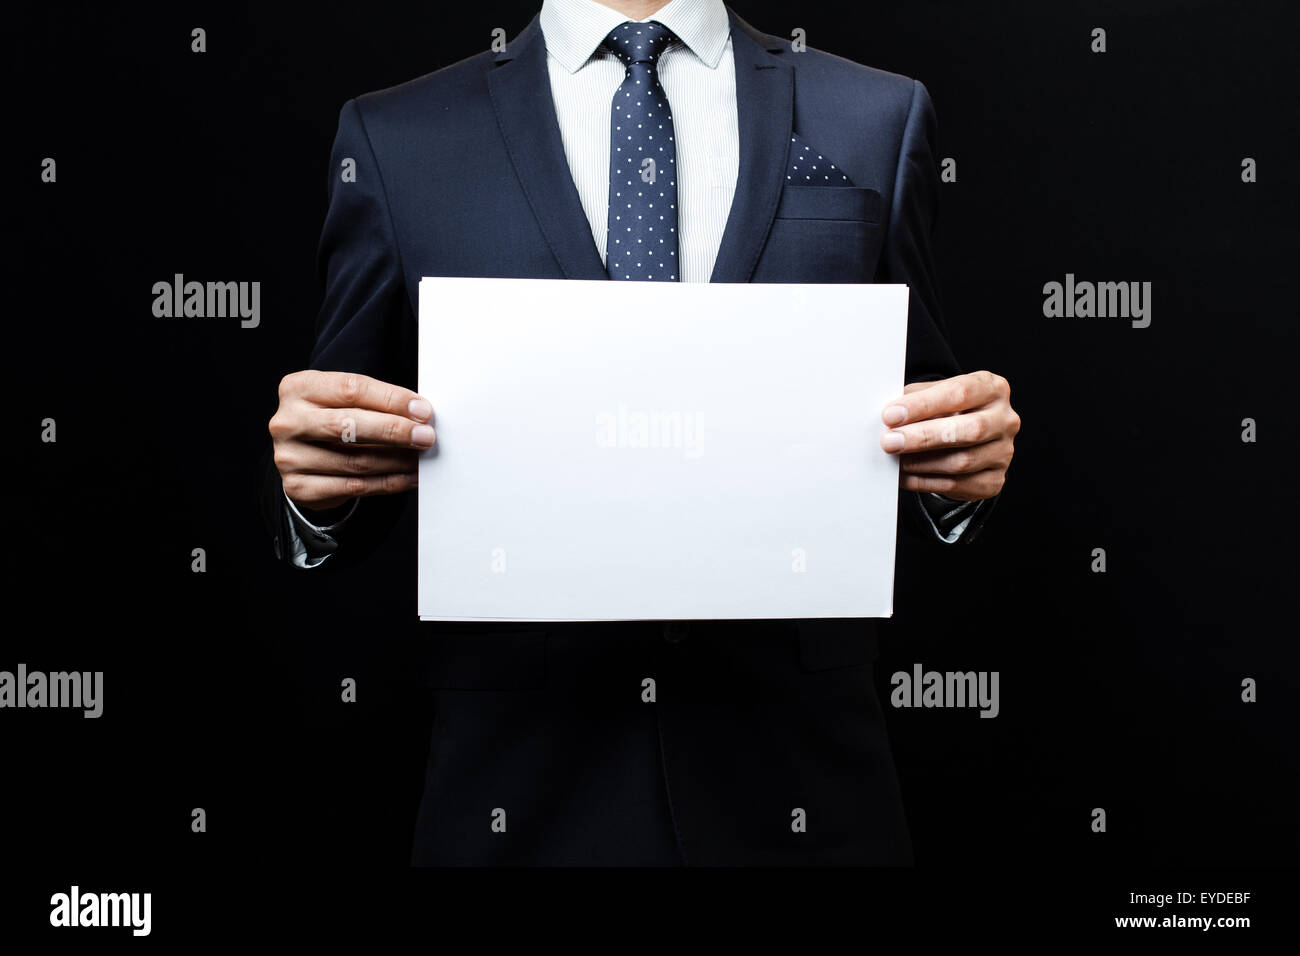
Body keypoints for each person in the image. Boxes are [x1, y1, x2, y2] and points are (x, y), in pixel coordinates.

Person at [263, 0, 1020, 865]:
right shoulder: (396, 135)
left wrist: (965, 463)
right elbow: (345, 451)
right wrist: (314, 493)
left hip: (802, 800)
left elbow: (931, 408)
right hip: (519, 800)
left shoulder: (876, 113)